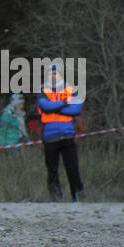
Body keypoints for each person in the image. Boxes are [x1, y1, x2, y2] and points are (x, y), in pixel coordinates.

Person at [37, 63, 83, 200]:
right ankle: (55, 197)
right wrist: (64, 104)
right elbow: (44, 106)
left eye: (55, 73)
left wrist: (54, 107)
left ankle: (78, 195)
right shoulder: (42, 89)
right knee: (52, 170)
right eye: (50, 73)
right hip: (50, 137)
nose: (52, 76)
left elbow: (76, 109)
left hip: (68, 135)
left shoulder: (71, 89)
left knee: (73, 168)